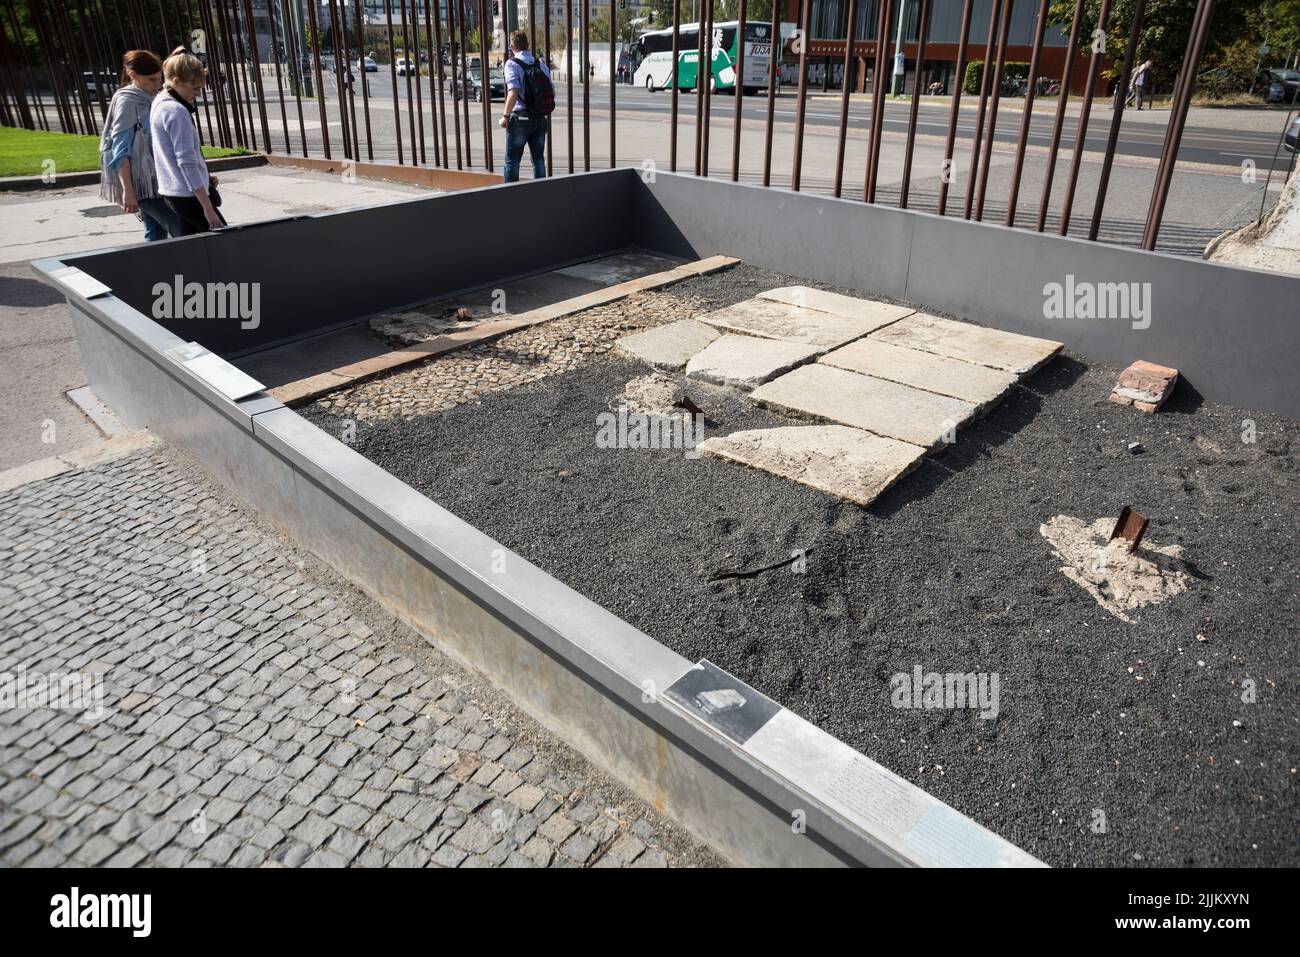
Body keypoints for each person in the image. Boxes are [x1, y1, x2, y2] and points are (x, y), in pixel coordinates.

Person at [99, 49, 180, 242]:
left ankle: (157, 270)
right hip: (141, 181)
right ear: (132, 74)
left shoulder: (151, 97)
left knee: (156, 233)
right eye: (152, 79)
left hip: (155, 177)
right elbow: (120, 151)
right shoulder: (127, 101)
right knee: (180, 227)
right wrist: (128, 191)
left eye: (159, 78)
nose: (158, 84)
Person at [152, 47, 225, 235]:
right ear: (176, 81)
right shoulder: (176, 111)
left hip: (173, 191)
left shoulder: (159, 102)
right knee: (222, 241)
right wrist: (207, 207)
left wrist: (203, 178)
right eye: (195, 88)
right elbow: (186, 161)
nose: (199, 94)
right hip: (188, 194)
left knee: (193, 244)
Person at [500, 30, 553, 184]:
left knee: (512, 160)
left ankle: (510, 196)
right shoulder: (540, 64)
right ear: (528, 45)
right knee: (538, 159)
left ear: (512, 47)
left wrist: (505, 117)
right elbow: (552, 91)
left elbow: (513, 91)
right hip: (539, 119)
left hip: (520, 119)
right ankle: (541, 194)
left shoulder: (512, 64)